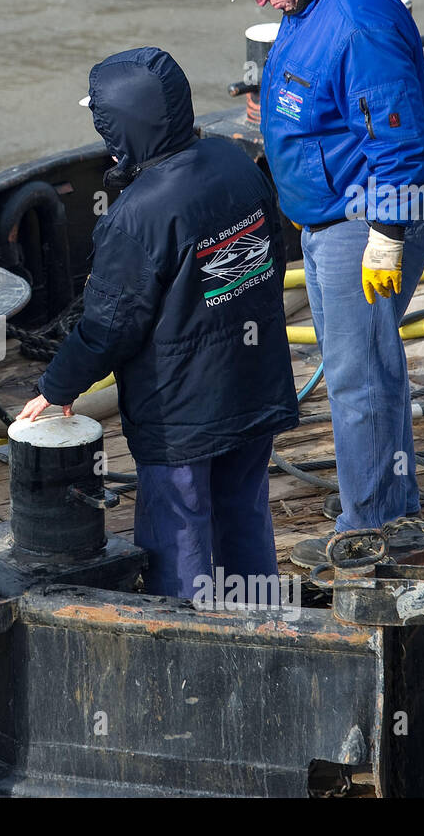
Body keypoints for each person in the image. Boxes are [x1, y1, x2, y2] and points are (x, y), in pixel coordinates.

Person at [210, 0, 424, 565]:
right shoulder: (307, 5)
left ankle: (368, 529)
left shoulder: (357, 19)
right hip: (331, 218)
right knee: (371, 363)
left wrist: (387, 235)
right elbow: (320, 89)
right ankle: (394, 512)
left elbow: (399, 138)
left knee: (355, 375)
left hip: (366, 216)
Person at [17, 47, 298, 599]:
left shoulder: (137, 216)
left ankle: (184, 646)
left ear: (121, 128)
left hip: (182, 413)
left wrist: (57, 387)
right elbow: (275, 254)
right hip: (256, 382)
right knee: (244, 506)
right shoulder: (236, 162)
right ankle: (262, 622)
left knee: (180, 527)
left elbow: (109, 326)